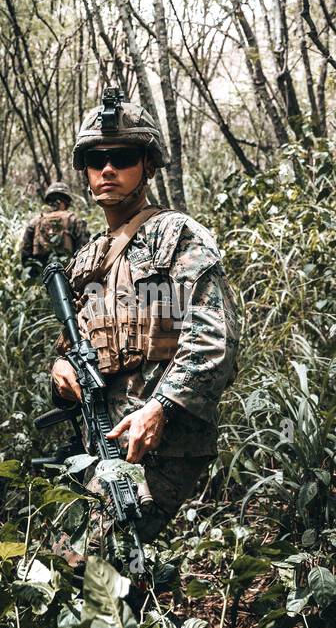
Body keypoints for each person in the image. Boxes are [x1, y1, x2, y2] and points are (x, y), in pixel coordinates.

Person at [49, 88, 240, 549]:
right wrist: (60, 371)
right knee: (102, 576)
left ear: (148, 165)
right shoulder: (89, 258)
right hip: (101, 440)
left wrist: (161, 406)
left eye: (123, 156)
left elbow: (216, 337)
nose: (108, 169)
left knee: (80, 561)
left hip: (161, 441)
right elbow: (71, 348)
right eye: (96, 160)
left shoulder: (174, 236)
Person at [20, 181, 89, 270]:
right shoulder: (74, 220)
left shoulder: (35, 221)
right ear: (67, 202)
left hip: (41, 276)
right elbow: (84, 252)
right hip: (68, 274)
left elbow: (25, 255)